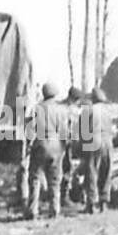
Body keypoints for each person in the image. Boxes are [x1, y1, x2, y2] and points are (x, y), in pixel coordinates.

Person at [25, 82, 72, 220]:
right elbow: (65, 131)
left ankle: (33, 210)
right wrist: (64, 147)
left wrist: (28, 145)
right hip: (56, 145)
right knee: (55, 180)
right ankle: (54, 210)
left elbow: (29, 129)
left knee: (35, 178)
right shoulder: (62, 110)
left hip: (40, 144)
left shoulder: (36, 109)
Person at [77, 88, 115, 213]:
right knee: (106, 171)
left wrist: (81, 149)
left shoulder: (88, 111)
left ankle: (91, 204)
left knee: (92, 172)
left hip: (93, 141)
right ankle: (104, 202)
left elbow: (82, 132)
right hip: (108, 142)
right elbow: (113, 130)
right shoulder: (108, 111)